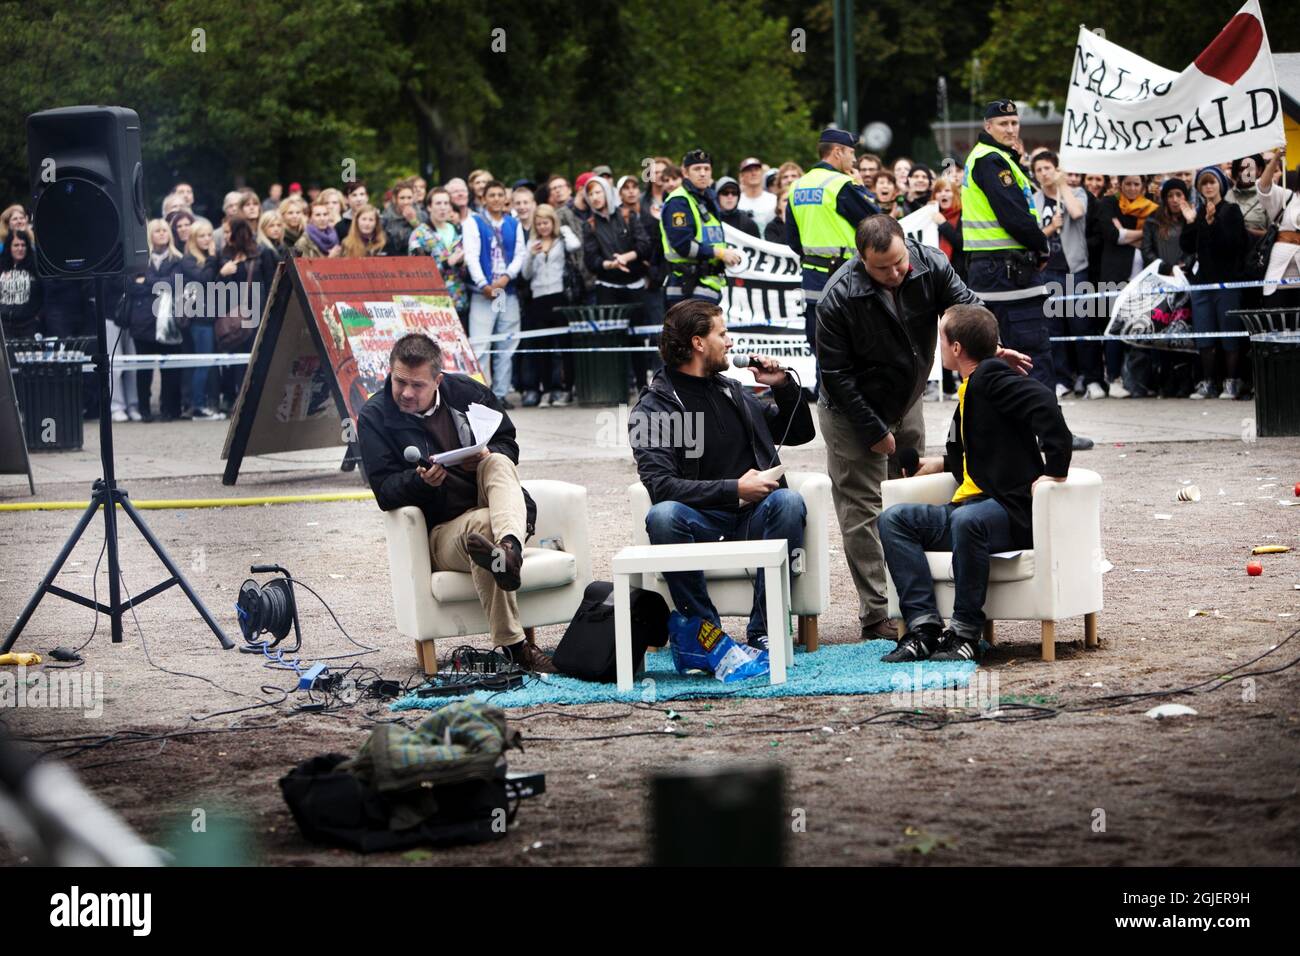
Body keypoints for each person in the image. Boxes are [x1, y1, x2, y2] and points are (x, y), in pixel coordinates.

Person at [815, 214, 1033, 641]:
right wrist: (874, 430)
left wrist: (989, 350)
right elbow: (836, 376)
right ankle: (876, 614)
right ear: (862, 260)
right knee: (863, 508)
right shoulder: (837, 298)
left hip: (906, 397)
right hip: (849, 410)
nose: (896, 273)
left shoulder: (930, 263)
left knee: (910, 488)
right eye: (883, 268)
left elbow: (971, 309)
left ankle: (922, 606)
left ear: (905, 245)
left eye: (899, 262)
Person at [878, 304, 1072, 662]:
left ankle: (965, 632)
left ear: (956, 348)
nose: (939, 347)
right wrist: (938, 463)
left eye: (942, 339)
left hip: (1005, 514)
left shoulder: (991, 378)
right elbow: (983, 446)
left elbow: (1044, 401)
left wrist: (1055, 469)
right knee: (894, 519)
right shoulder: (973, 385)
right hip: (966, 509)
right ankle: (924, 628)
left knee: (968, 520)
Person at [356, 332, 555, 673]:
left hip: (488, 503)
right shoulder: (375, 416)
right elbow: (385, 493)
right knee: (483, 528)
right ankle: (516, 646)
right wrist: (419, 483)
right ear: (389, 371)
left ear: (438, 379)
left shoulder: (468, 393)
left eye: (417, 385)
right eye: (399, 381)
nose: (405, 392)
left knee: (498, 462)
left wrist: (487, 453)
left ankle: (509, 549)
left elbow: (509, 444)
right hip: (442, 530)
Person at [632, 299, 815, 651]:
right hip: (700, 518)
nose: (730, 341)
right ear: (698, 343)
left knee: (788, 502)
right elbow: (659, 484)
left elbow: (799, 433)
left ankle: (766, 628)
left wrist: (782, 387)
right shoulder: (653, 406)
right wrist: (735, 489)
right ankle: (708, 634)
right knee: (663, 516)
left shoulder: (730, 390)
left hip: (752, 515)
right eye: (723, 333)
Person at [961, 99, 1056, 390]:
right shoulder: (992, 160)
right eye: (1004, 124)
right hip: (1007, 269)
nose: (1011, 129)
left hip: (992, 268)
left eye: (1014, 123)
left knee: (997, 355)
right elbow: (1014, 215)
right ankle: (1048, 432)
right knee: (1030, 352)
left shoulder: (990, 157)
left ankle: (1012, 431)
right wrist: (1042, 245)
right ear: (988, 127)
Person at [1180, 167, 1249, 400]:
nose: (1208, 187)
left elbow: (1232, 245)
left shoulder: (1231, 210)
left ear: (1221, 185)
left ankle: (1232, 381)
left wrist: (1212, 223)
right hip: (1202, 282)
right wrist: (1191, 222)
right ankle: (1208, 381)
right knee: (1205, 332)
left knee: (1229, 332)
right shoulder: (1197, 212)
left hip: (1227, 281)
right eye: (1204, 183)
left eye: (1212, 182)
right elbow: (1188, 246)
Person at [1030, 150, 1094, 399]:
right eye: (1039, 170)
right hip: (1048, 270)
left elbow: (1077, 212)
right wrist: (1050, 228)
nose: (1044, 174)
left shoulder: (1075, 193)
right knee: (1054, 328)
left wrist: (1062, 185)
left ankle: (1089, 377)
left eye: (1048, 168)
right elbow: (1033, 237)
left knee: (1081, 324)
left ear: (1057, 168)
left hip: (1075, 269)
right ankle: (1062, 378)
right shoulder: (1033, 200)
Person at [584, 174, 652, 394]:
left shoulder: (627, 215)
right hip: (608, 288)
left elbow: (645, 245)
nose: (595, 197)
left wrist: (626, 257)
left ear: (607, 192)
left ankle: (643, 385)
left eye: (598, 192)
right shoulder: (590, 224)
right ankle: (616, 387)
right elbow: (591, 260)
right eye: (590, 193)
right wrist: (610, 264)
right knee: (613, 340)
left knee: (637, 337)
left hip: (634, 286)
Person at [463, 180, 525, 405]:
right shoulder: (473, 222)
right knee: (481, 345)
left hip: (507, 292)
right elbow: (471, 255)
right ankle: (481, 394)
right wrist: (483, 284)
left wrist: (506, 278)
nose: (497, 198)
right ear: (483, 199)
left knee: (507, 345)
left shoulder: (513, 223)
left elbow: (520, 254)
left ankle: (500, 393)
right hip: (483, 293)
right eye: (492, 195)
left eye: (500, 194)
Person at [659, 149, 740, 305]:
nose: (702, 173)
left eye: (706, 169)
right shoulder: (679, 201)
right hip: (687, 286)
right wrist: (720, 253)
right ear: (685, 172)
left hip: (707, 285)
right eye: (697, 169)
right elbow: (683, 245)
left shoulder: (706, 198)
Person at [519, 204, 579, 407]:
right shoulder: (532, 244)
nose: (543, 227)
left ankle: (565, 388)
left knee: (563, 346)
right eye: (539, 223)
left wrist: (563, 229)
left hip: (559, 295)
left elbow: (575, 245)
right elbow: (526, 274)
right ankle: (547, 389)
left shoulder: (561, 240)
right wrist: (531, 255)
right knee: (542, 347)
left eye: (546, 222)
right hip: (538, 298)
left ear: (552, 222)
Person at [128, 220, 185, 421]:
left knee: (169, 369)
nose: (162, 234)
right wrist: (159, 284)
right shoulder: (140, 259)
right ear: (150, 235)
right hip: (143, 321)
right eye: (157, 231)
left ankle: (169, 409)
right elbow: (132, 287)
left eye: (165, 231)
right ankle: (144, 409)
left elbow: (174, 284)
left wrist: (148, 282)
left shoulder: (178, 259)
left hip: (169, 322)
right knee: (144, 370)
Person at [180, 221, 224, 420]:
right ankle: (197, 405)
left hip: (212, 316)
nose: (207, 239)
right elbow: (204, 280)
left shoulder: (209, 258)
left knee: (210, 362)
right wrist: (214, 259)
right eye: (202, 236)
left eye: (209, 235)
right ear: (193, 239)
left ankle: (204, 403)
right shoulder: (189, 260)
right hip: (199, 319)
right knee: (203, 362)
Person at [409, 187, 468, 315]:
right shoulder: (419, 235)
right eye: (438, 203)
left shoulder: (456, 230)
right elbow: (417, 275)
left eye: (446, 203)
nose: (443, 207)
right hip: (433, 306)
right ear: (429, 207)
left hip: (458, 301)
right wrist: (446, 263)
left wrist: (461, 262)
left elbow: (464, 271)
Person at [1257, 149, 1300, 309]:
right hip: (1279, 275)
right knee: (1278, 325)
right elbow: (1264, 187)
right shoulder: (1287, 197)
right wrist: (1275, 158)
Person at [0, 230, 43, 340]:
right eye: (16, 245)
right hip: (3, 326)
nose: (20, 248)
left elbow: (44, 294)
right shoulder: (1, 266)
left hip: (28, 326)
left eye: (23, 245)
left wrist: (39, 317)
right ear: (9, 247)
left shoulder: (36, 267)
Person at [1225, 155, 1268, 240]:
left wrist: (1246, 231)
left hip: (1257, 250)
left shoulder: (1268, 196)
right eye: (1241, 169)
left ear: (1259, 171)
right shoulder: (1226, 196)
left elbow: (1274, 233)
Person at [736, 157, 777, 233]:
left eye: (757, 170)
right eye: (749, 170)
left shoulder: (774, 200)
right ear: (742, 176)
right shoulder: (736, 201)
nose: (753, 173)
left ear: (762, 173)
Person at [382, 178, 422, 253]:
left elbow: (428, 240)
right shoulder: (386, 218)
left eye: (409, 198)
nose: (406, 202)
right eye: (402, 198)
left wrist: (414, 221)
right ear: (395, 199)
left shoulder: (421, 214)